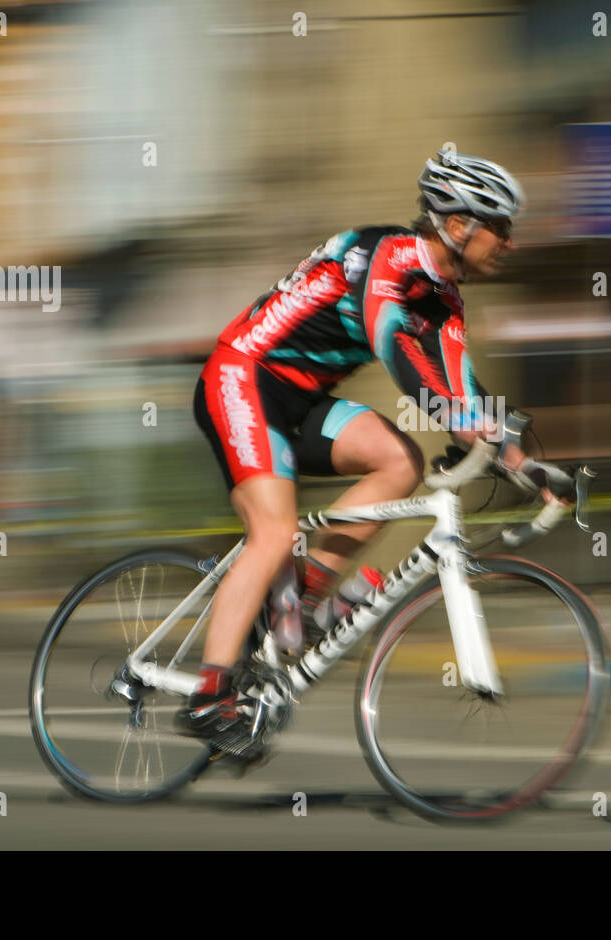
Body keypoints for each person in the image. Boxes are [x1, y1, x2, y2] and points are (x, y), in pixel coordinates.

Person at [181, 143, 556, 748]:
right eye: (500, 228)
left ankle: (299, 601)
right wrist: (465, 425)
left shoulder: (446, 298)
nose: (509, 242)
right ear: (457, 225)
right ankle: (209, 694)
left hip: (298, 402)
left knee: (399, 460)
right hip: (242, 379)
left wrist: (526, 463)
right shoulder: (385, 257)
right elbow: (393, 347)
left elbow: (460, 385)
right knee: (273, 533)